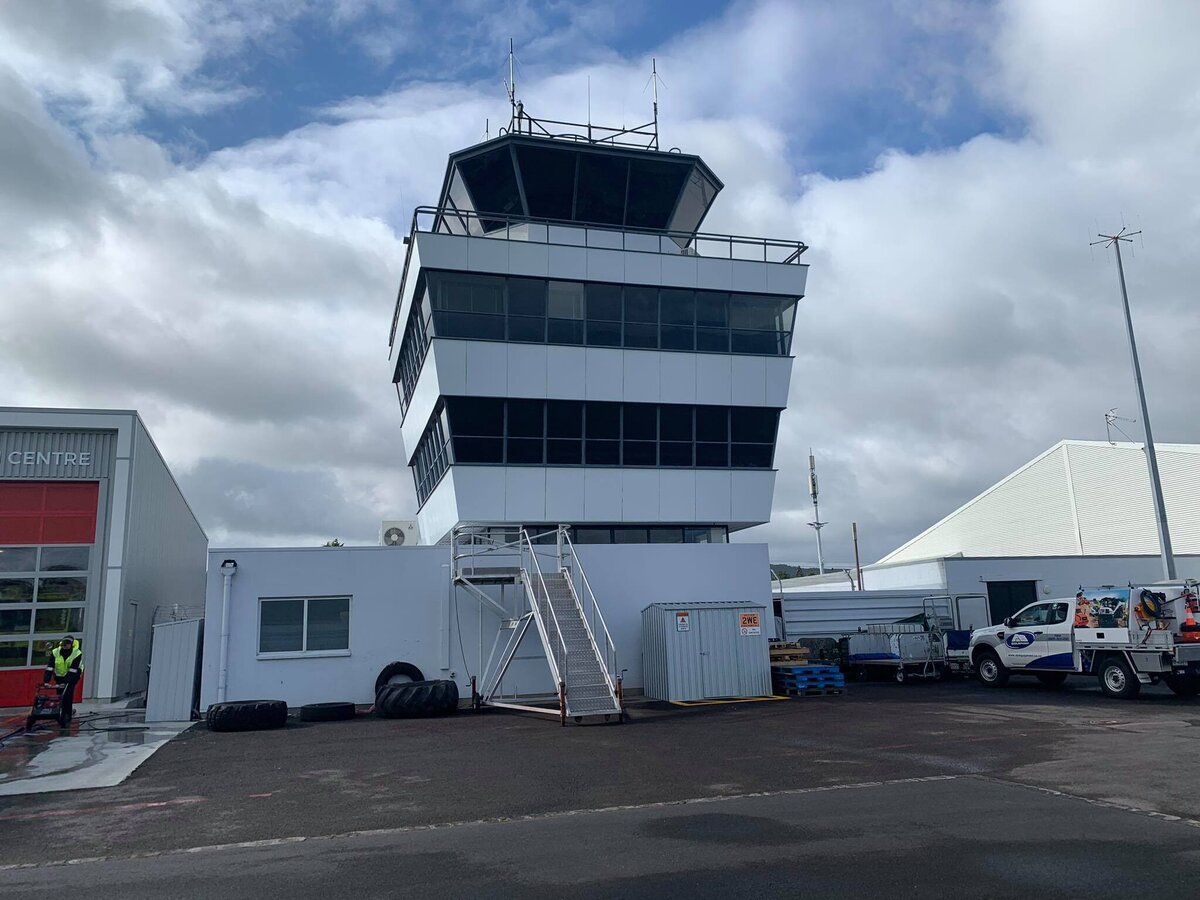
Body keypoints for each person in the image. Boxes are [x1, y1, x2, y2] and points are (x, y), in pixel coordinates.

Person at [43, 636, 83, 724]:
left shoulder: (77, 653)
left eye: (68, 644)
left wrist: (67, 680)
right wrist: (46, 681)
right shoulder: (55, 652)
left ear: (71, 645)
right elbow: (50, 667)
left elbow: (73, 669)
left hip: (73, 676)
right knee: (60, 695)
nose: (66, 645)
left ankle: (67, 715)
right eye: (64, 643)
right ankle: (59, 713)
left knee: (68, 694)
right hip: (59, 677)